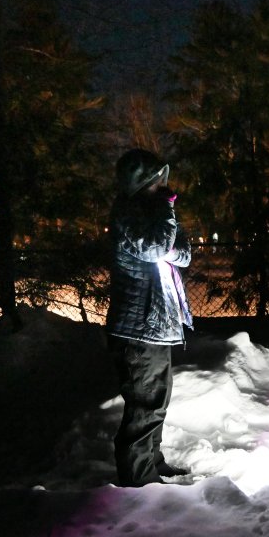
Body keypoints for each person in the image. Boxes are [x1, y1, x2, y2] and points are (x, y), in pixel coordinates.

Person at [106, 148, 193, 486]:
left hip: (156, 327)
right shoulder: (128, 213)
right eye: (159, 180)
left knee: (157, 401)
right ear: (144, 182)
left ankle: (151, 462)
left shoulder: (154, 214)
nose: (166, 186)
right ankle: (139, 480)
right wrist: (167, 212)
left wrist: (166, 229)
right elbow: (158, 249)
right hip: (138, 329)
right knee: (145, 405)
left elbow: (182, 254)